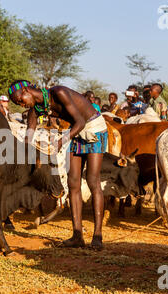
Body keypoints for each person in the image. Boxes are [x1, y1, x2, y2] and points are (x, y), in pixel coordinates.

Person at [8, 80, 106, 250]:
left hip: (93, 128)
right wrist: (24, 150)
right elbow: (29, 132)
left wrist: (60, 142)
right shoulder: (37, 108)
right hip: (76, 133)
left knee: (92, 180)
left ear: (27, 90)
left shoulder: (58, 92)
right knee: (72, 182)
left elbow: (81, 122)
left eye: (21, 100)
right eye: (18, 103)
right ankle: (77, 236)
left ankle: (97, 236)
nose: (21, 104)